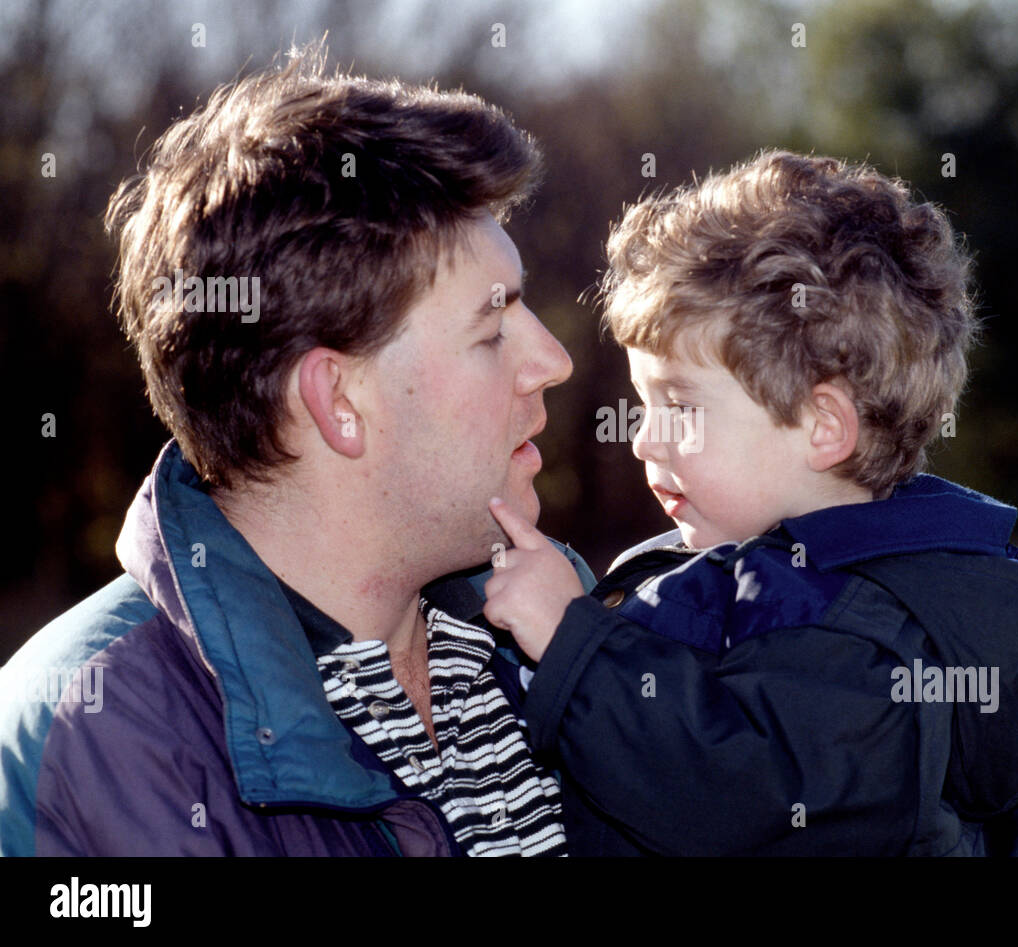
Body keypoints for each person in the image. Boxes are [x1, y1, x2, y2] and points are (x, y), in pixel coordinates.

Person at [0, 45, 588, 856]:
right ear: (338, 403)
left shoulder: (578, 630)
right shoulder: (83, 744)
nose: (554, 361)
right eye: (492, 331)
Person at [481, 150, 1018, 855]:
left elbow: (736, 798)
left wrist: (571, 642)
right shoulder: (753, 578)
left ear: (824, 426)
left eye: (680, 406)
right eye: (643, 404)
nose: (643, 442)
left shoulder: (860, 636)